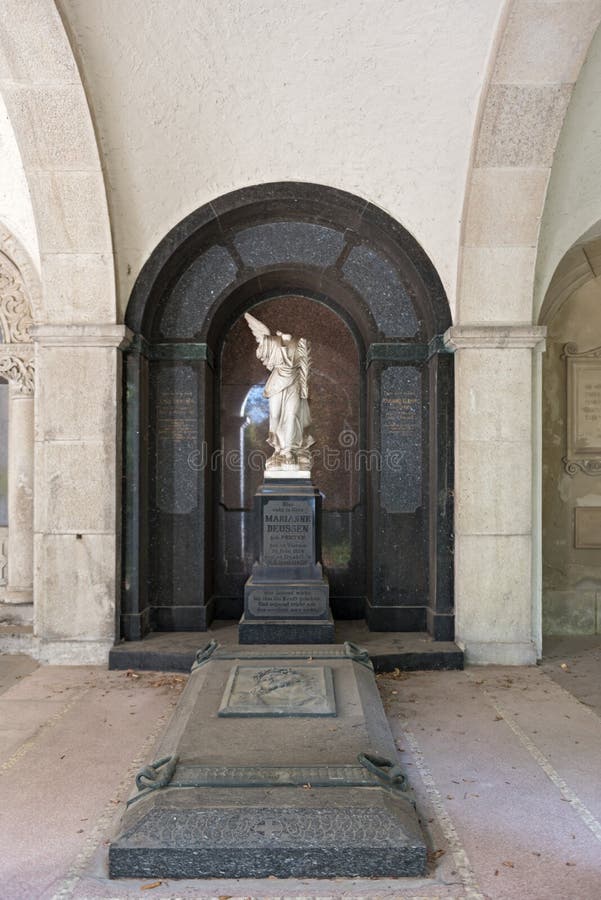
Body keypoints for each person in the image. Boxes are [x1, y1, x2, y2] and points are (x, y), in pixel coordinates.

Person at [244, 312, 314, 469]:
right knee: (275, 416)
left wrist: (304, 388)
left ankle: (288, 451)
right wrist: (265, 343)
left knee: (291, 415)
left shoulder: (301, 343)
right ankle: (278, 450)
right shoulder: (272, 341)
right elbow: (260, 354)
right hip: (276, 383)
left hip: (294, 384)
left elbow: (305, 368)